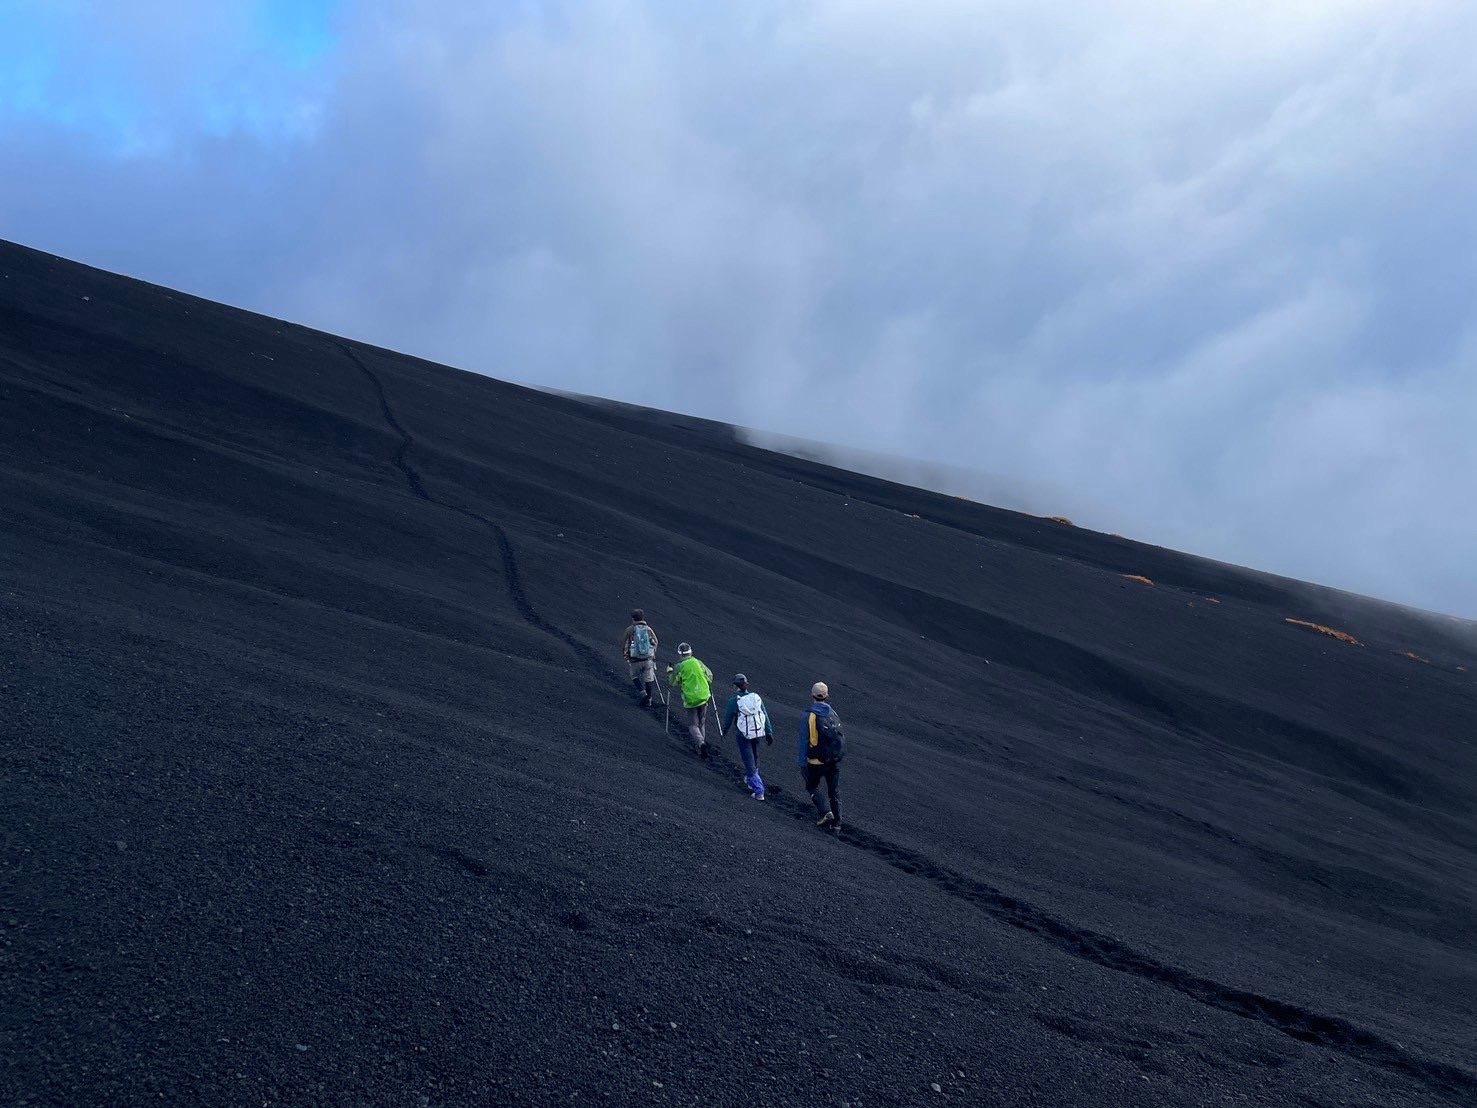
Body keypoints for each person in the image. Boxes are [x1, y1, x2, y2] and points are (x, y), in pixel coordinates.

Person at [797, 681, 844, 830]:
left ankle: (825, 812)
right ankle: (837, 824)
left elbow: (804, 740)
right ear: (827, 696)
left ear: (812, 695)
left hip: (816, 761)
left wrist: (802, 762)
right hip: (833, 760)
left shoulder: (809, 714)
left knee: (811, 786)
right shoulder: (833, 712)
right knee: (834, 792)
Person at [719, 674, 772, 800]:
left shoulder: (734, 701)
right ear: (746, 685)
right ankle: (750, 780)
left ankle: (759, 791)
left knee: (748, 761)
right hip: (758, 732)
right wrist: (769, 732)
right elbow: (764, 714)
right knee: (754, 756)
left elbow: (728, 719)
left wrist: (723, 732)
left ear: (734, 686)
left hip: (743, 734)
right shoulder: (755, 697)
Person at [667, 643, 714, 757]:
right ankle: (701, 745)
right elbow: (710, 676)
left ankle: (701, 743)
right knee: (702, 722)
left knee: (693, 725)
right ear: (690, 652)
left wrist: (669, 672)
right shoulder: (698, 662)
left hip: (691, 700)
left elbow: (672, 682)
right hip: (703, 697)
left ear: (680, 654)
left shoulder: (679, 666)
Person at [621, 609, 660, 707]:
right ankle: (649, 699)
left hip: (635, 660)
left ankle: (644, 694)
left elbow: (624, 643)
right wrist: (652, 654)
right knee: (648, 679)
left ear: (633, 618)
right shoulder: (648, 629)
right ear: (643, 618)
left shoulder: (630, 629)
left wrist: (626, 656)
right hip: (648, 659)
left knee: (634, 676)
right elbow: (655, 642)